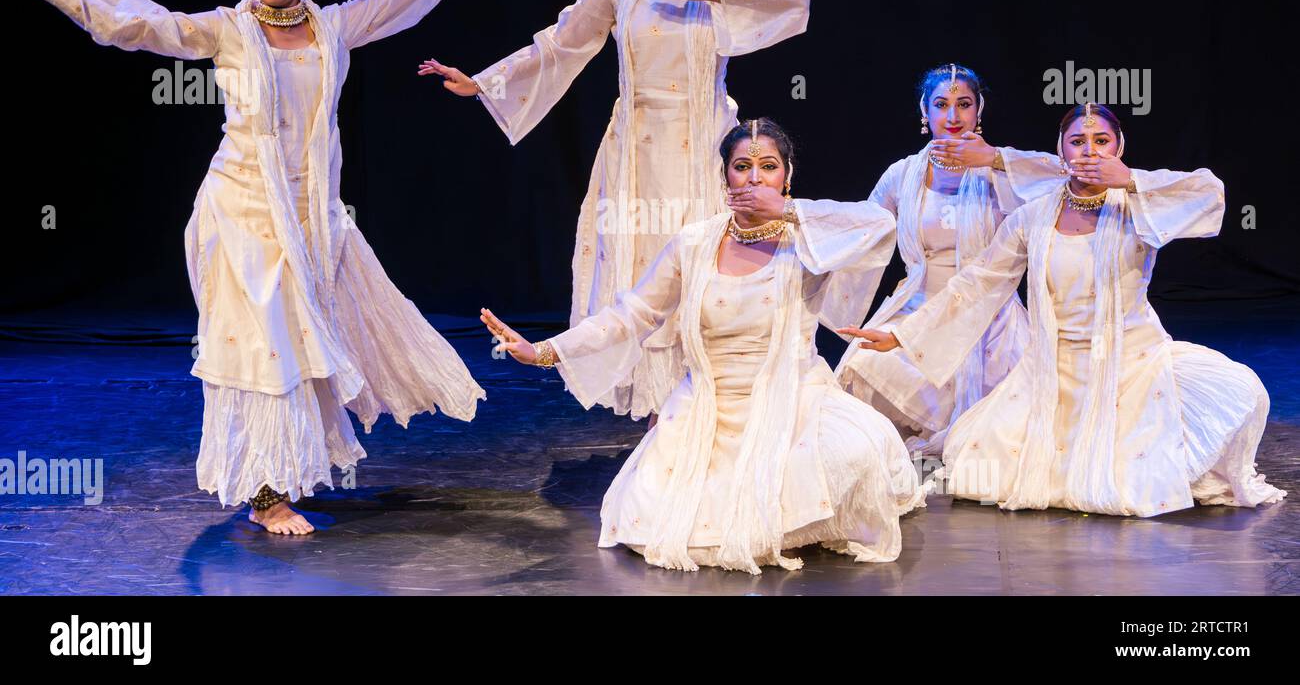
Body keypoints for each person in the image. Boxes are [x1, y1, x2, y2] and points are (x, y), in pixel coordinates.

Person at [12, 0, 486, 534]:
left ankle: (285, 475)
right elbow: (138, 25)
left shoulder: (336, 25)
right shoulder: (228, 30)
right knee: (261, 352)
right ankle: (266, 497)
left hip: (312, 219)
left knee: (306, 347)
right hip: (242, 215)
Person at [423, 0, 811, 420]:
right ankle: (662, 420)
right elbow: (562, 43)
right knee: (643, 273)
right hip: (635, 152)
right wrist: (486, 82)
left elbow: (795, 1)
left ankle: (709, 408)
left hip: (704, 149)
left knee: (700, 268)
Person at [481, 119, 923, 573]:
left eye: (768, 167)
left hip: (792, 401)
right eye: (742, 166)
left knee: (851, 455)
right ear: (724, 177)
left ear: (786, 177)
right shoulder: (694, 243)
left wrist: (788, 211)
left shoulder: (808, 242)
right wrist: (545, 350)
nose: (755, 177)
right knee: (658, 517)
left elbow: (880, 224)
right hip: (705, 409)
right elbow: (632, 314)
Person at [841, 103, 1286, 516]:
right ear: (1061, 151)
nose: (1089, 151)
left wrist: (1130, 179)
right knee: (970, 460)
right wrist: (903, 335)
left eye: (1101, 141)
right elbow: (979, 284)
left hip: (1131, 365)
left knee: (1235, 395)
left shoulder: (1139, 206)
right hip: (1049, 370)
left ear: (1118, 147)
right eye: (1077, 141)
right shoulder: (1034, 216)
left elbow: (1208, 195)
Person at [835, 63, 1061, 454]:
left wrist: (993, 158)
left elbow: (1063, 178)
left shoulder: (1002, 172)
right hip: (917, 311)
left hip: (989, 321)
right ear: (924, 111)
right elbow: (859, 231)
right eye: (941, 104)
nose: (953, 117)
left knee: (996, 431)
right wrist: (791, 220)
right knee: (860, 371)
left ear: (979, 109)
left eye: (964, 104)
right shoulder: (902, 174)